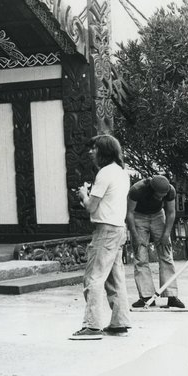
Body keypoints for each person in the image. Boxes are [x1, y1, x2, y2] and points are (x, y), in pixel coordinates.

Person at [70, 134, 132, 340]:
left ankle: (92, 325)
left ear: (104, 151)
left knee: (93, 277)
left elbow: (91, 207)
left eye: (94, 148)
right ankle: (119, 322)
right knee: (115, 278)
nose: (90, 152)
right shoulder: (122, 172)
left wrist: (83, 194)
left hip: (104, 230)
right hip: (118, 229)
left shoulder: (104, 173)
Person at [126, 174, 185, 308]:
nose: (162, 197)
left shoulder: (170, 191)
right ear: (151, 190)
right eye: (159, 195)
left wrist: (166, 234)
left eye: (164, 195)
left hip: (158, 215)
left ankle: (171, 295)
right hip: (138, 216)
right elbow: (129, 212)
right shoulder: (137, 189)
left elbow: (170, 212)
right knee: (140, 255)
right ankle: (147, 297)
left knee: (166, 254)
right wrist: (135, 236)